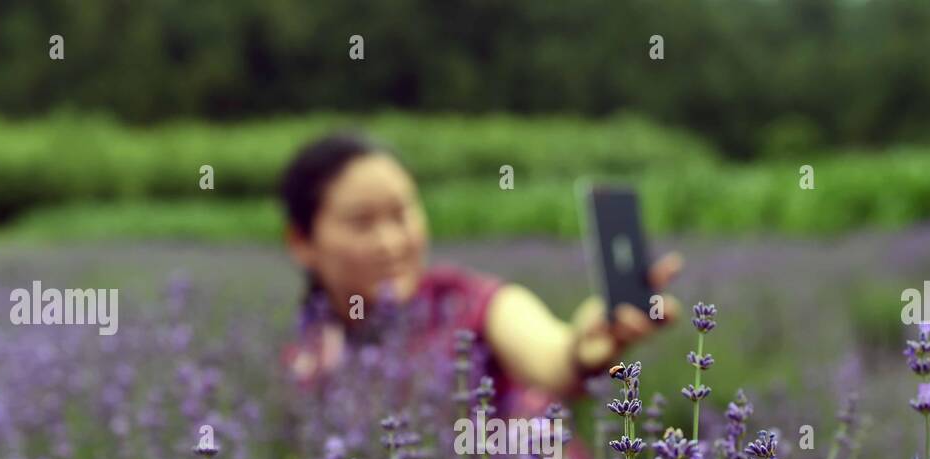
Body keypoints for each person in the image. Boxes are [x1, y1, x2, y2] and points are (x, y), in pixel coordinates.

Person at [278, 132, 681, 416]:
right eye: (362, 222)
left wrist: (580, 350)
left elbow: (548, 355)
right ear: (302, 242)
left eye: (402, 215)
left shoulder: (466, 302)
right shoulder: (308, 357)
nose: (391, 242)